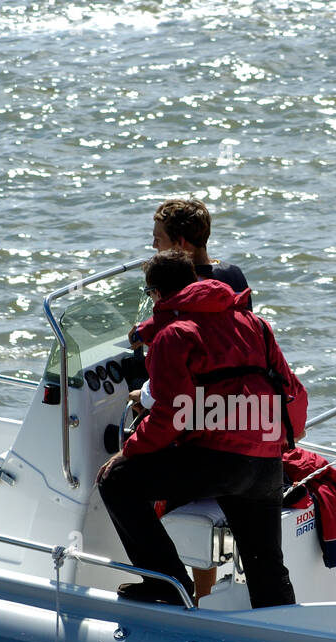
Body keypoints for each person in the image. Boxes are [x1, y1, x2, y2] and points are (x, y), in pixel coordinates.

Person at [97, 251, 303, 608]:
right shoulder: (255, 324)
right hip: (267, 460)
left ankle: (169, 585)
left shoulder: (173, 337)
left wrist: (127, 450)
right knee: (266, 565)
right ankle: (283, 637)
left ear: (157, 295)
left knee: (116, 481)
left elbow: (172, 415)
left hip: (217, 461)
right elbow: (293, 392)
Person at [151, 197, 249, 294]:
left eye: (157, 239)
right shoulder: (234, 273)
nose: (154, 245)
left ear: (180, 242)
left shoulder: (177, 285)